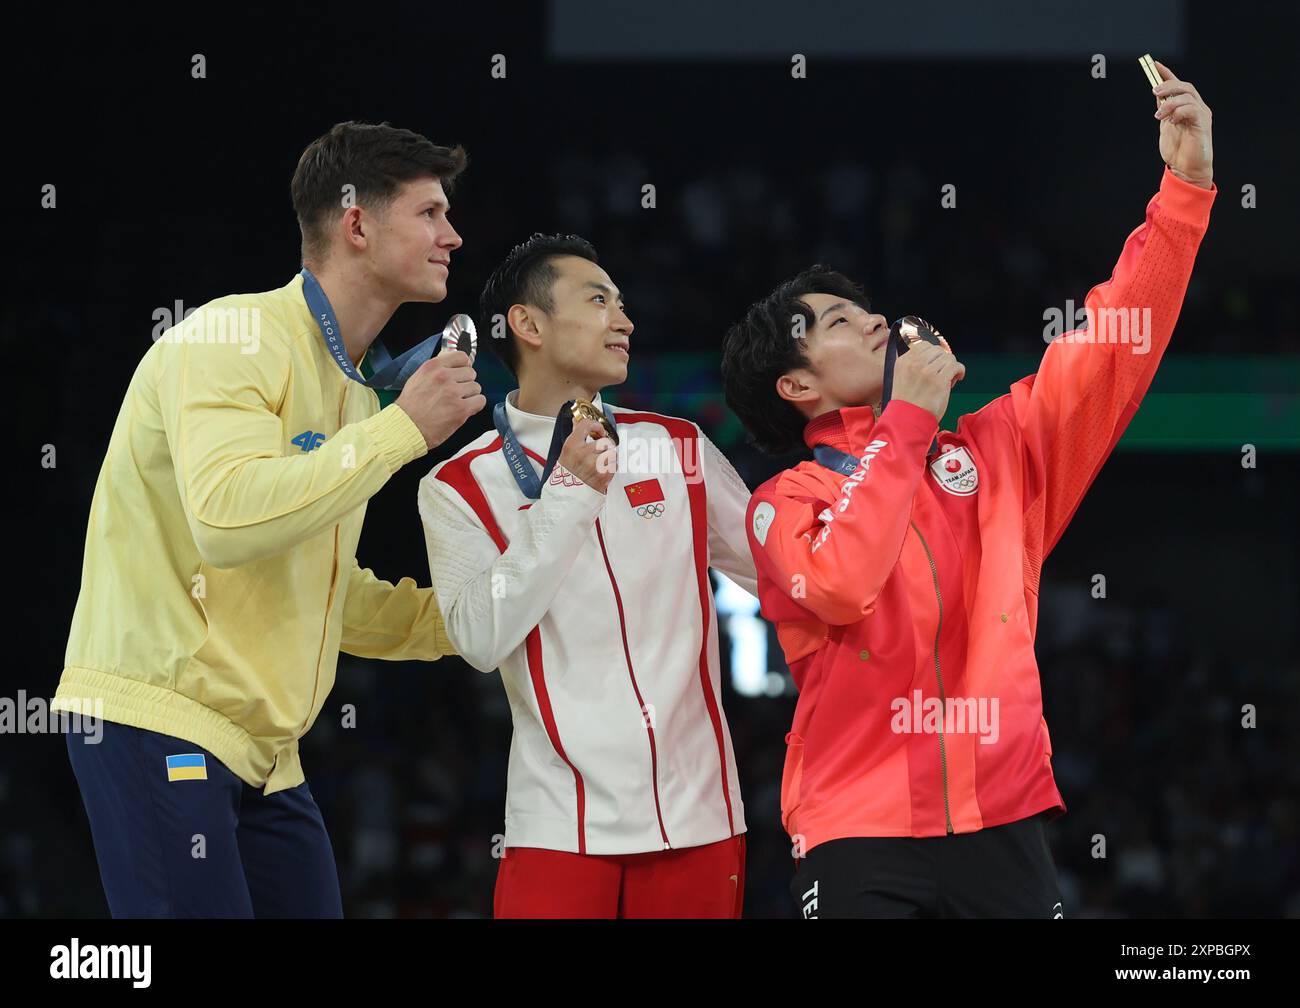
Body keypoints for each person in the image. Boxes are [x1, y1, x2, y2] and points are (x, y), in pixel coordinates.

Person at [719, 62, 1216, 918]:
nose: (875, 319)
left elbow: (1113, 346)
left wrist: (1185, 190)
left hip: (1006, 823)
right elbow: (840, 584)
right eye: (837, 322)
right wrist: (907, 419)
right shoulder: (783, 504)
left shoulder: (998, 452)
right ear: (796, 388)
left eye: (864, 307)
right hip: (857, 834)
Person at [52, 121, 486, 918]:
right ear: (356, 222)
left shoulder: (353, 391)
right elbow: (225, 517)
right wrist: (402, 432)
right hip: (162, 717)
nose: (452, 236)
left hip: (266, 755)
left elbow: (325, 591)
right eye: (429, 213)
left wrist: (476, 620)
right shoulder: (233, 336)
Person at [418, 233, 756, 918]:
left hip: (701, 824)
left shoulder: (677, 447)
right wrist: (568, 491)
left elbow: (790, 578)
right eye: (599, 301)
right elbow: (481, 638)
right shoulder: (457, 485)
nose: (624, 321)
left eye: (623, 305)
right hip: (557, 832)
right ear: (529, 324)